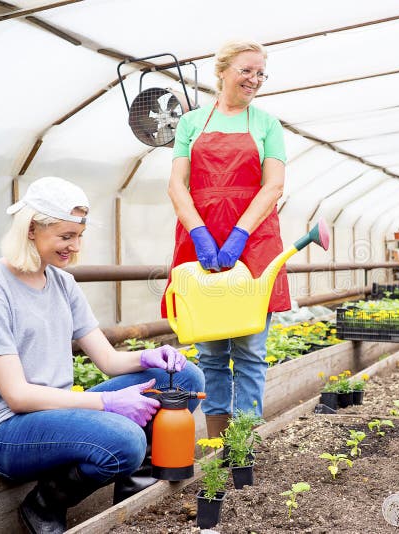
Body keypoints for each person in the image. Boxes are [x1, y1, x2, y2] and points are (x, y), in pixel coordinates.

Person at [0, 176, 204, 534]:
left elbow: (108, 361)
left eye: (78, 236)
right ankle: (45, 504)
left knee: (186, 379)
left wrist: (150, 357)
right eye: (65, 236)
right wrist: (108, 404)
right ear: (31, 230)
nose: (74, 247)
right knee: (126, 440)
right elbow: (18, 396)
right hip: (5, 431)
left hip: (56, 412)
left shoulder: (62, 283)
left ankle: (133, 488)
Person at [163, 40, 288, 437]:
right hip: (199, 243)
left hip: (253, 244)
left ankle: (244, 443)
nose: (254, 80)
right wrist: (199, 232)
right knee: (211, 350)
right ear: (222, 71)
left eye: (260, 73)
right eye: (246, 70)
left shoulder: (267, 124)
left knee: (250, 351)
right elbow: (176, 186)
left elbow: (273, 187)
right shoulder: (191, 123)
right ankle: (218, 442)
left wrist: (238, 234)